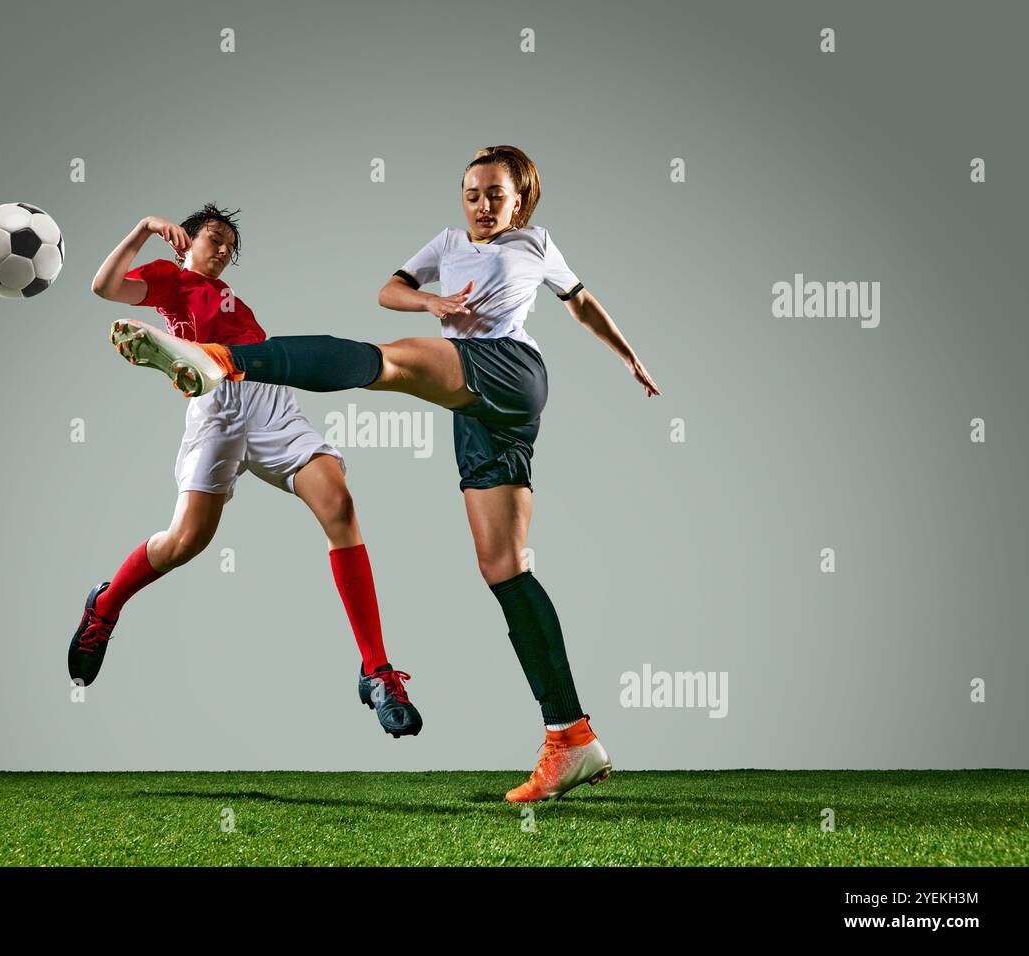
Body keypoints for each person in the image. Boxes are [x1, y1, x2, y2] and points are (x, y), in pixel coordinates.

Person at [110, 148, 661, 801]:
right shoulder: (448, 242)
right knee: (503, 566)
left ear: (521, 200)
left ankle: (225, 361)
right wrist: (430, 303)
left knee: (389, 364)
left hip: (509, 369)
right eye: (472, 193)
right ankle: (570, 737)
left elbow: (581, 301)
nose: (482, 205)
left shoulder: (537, 243)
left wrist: (629, 358)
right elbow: (390, 289)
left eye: (495, 194)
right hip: (474, 406)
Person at [69, 204, 422, 739]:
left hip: (267, 396)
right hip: (217, 407)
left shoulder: (235, 299)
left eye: (230, 246)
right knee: (186, 542)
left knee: (340, 507)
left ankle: (376, 671)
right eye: (214, 238)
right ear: (184, 242)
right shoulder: (170, 279)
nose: (224, 250)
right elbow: (104, 286)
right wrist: (143, 227)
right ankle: (105, 605)